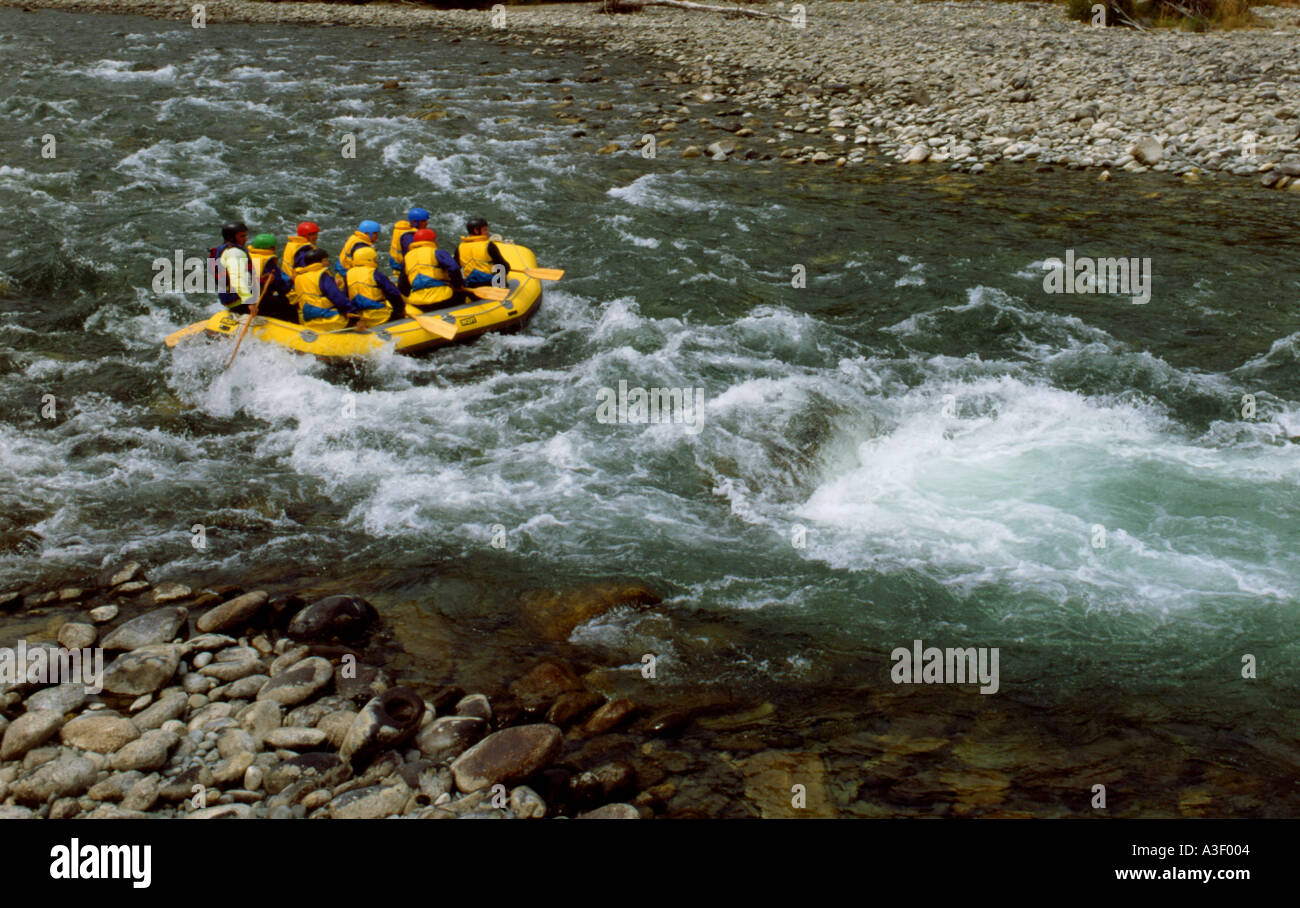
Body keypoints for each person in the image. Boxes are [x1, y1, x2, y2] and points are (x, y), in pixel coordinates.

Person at [293, 247, 359, 330]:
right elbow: (337, 297)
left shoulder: (298, 278)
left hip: (308, 321)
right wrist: (353, 313)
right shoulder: (322, 276)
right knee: (354, 319)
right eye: (325, 260)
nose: (327, 263)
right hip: (329, 320)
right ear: (317, 262)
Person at [403, 227, 465, 310]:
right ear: (431, 240)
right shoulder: (437, 252)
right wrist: (457, 286)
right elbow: (454, 268)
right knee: (464, 294)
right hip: (443, 299)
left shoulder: (407, 258)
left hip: (417, 303)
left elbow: (402, 283)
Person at [345, 246, 405, 326]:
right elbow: (392, 292)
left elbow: (344, 297)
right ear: (369, 260)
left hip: (360, 318)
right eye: (374, 259)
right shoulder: (374, 273)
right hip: (379, 317)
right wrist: (400, 309)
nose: (376, 261)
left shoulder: (348, 275)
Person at [246, 234, 296, 322]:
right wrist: (290, 282)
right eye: (273, 247)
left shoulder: (246, 256)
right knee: (288, 305)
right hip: (258, 300)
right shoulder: (267, 262)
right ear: (271, 248)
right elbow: (280, 286)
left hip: (244, 298)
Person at [210, 221, 253, 311]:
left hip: (229, 298)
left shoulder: (225, 249)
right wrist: (249, 301)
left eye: (245, 236)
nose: (245, 239)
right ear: (231, 237)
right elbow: (236, 278)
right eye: (242, 236)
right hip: (239, 301)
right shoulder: (234, 253)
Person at [456, 217, 510, 288]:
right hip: (491, 284)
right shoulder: (489, 245)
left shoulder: (460, 247)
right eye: (485, 230)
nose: (487, 232)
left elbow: (455, 268)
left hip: (471, 285)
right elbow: (503, 266)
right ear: (476, 231)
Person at [388, 207, 429, 295]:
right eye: (423, 221)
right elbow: (413, 258)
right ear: (414, 222)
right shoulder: (408, 238)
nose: (426, 223)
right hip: (404, 272)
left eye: (426, 220)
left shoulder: (404, 231)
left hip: (400, 269)